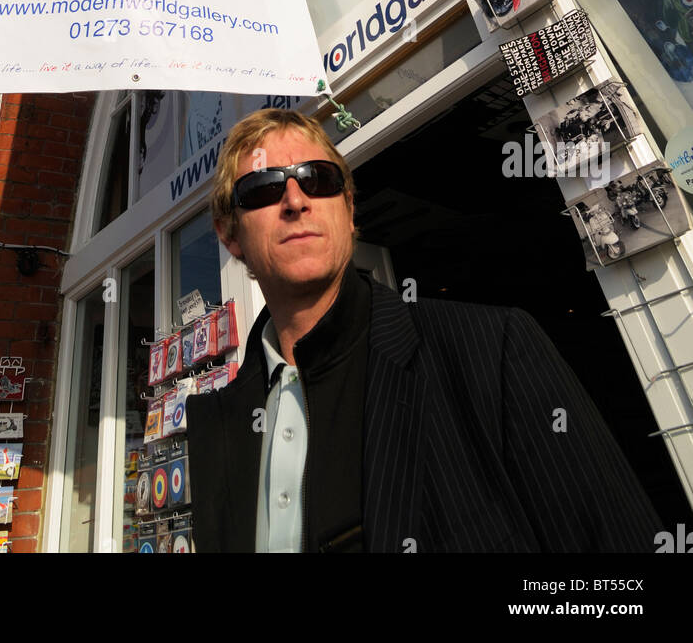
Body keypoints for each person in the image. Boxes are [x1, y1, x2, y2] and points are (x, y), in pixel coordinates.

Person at [186, 108, 661, 553]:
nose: (295, 199)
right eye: (264, 189)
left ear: (349, 211)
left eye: (318, 180)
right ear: (229, 234)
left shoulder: (490, 353)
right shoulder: (217, 423)